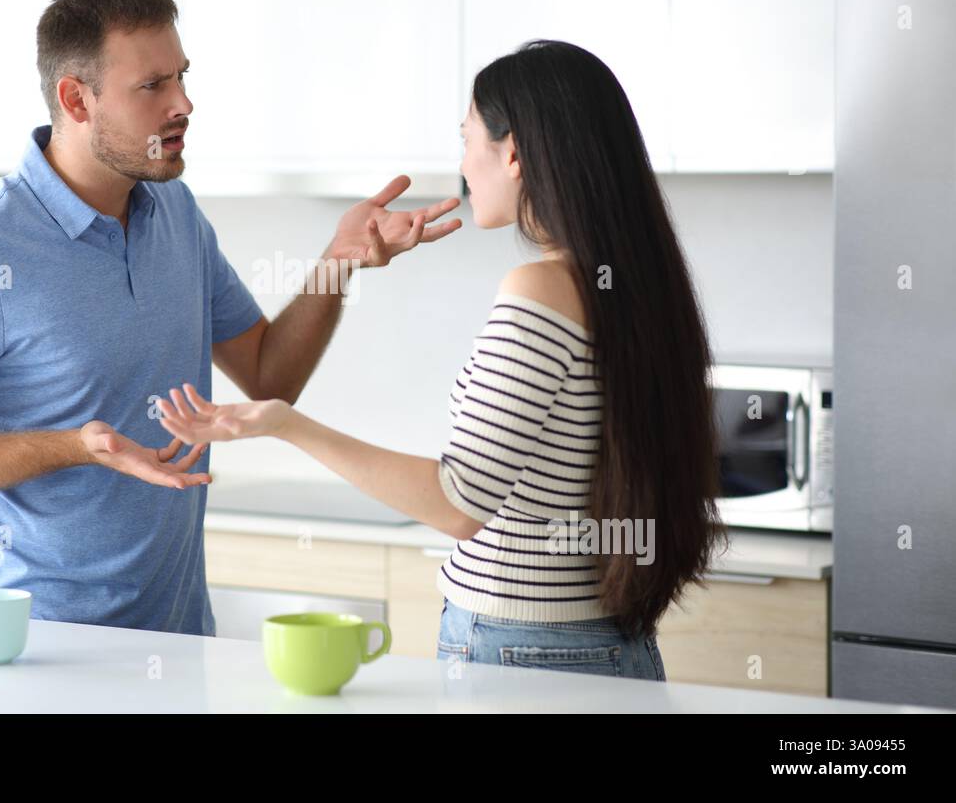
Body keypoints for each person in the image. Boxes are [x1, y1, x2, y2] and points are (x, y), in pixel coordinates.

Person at [0, 0, 461, 635]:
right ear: (76, 100)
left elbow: (268, 374)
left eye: (181, 77)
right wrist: (75, 446)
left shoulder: (174, 210)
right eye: (152, 86)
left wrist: (337, 264)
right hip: (43, 648)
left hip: (177, 643)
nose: (183, 104)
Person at [155, 40, 729, 680]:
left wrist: (285, 423)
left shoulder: (540, 290)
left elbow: (458, 503)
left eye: (466, 140)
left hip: (520, 650)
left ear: (513, 154)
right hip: (609, 643)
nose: (461, 166)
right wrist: (342, 259)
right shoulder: (632, 285)